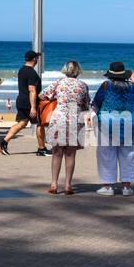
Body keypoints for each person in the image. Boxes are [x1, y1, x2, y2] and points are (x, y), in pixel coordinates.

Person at [92, 63, 134, 195]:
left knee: (106, 154)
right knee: (129, 154)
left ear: (110, 74)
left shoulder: (105, 85)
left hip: (107, 124)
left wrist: (99, 114)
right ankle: (126, 186)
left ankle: (108, 187)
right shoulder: (132, 87)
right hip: (129, 123)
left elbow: (96, 103)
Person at [40, 61, 90, 195]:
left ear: (65, 70)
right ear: (78, 71)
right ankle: (68, 185)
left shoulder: (58, 83)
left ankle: (54, 184)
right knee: (70, 154)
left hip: (59, 119)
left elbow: (42, 95)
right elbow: (86, 106)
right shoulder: (83, 85)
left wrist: (54, 100)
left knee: (57, 153)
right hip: (75, 119)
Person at [0, 50, 46, 156]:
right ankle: (42, 149)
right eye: (37, 58)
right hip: (29, 103)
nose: (37, 60)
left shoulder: (22, 70)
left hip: (21, 100)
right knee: (39, 124)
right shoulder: (32, 73)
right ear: (34, 59)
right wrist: (33, 107)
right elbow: (32, 90)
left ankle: (3, 142)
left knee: (22, 123)